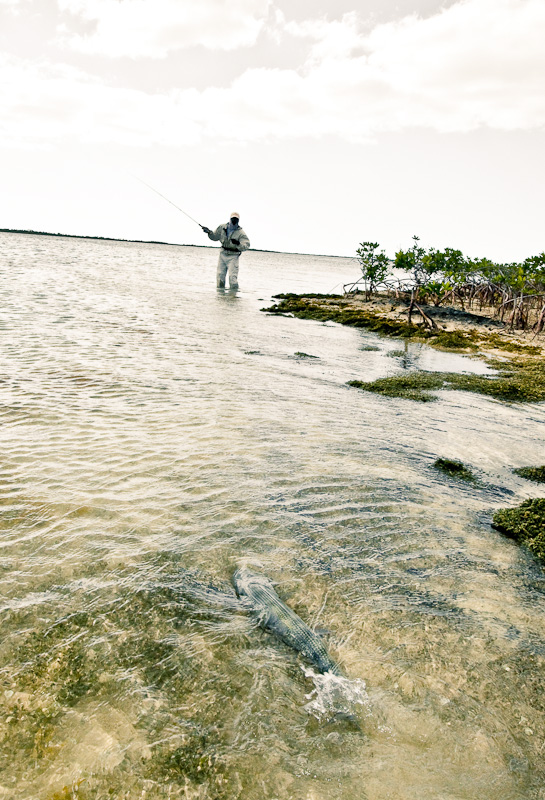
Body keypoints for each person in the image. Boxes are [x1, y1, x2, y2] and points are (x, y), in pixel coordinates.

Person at [201, 212, 250, 290]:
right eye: (233, 218)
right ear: (230, 219)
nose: (234, 220)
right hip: (222, 254)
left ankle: (233, 296)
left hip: (233, 255)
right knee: (220, 276)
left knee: (232, 277)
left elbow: (246, 245)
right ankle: (220, 297)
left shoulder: (241, 233)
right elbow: (215, 237)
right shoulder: (222, 227)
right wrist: (209, 232)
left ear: (238, 220)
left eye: (236, 219)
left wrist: (238, 243)